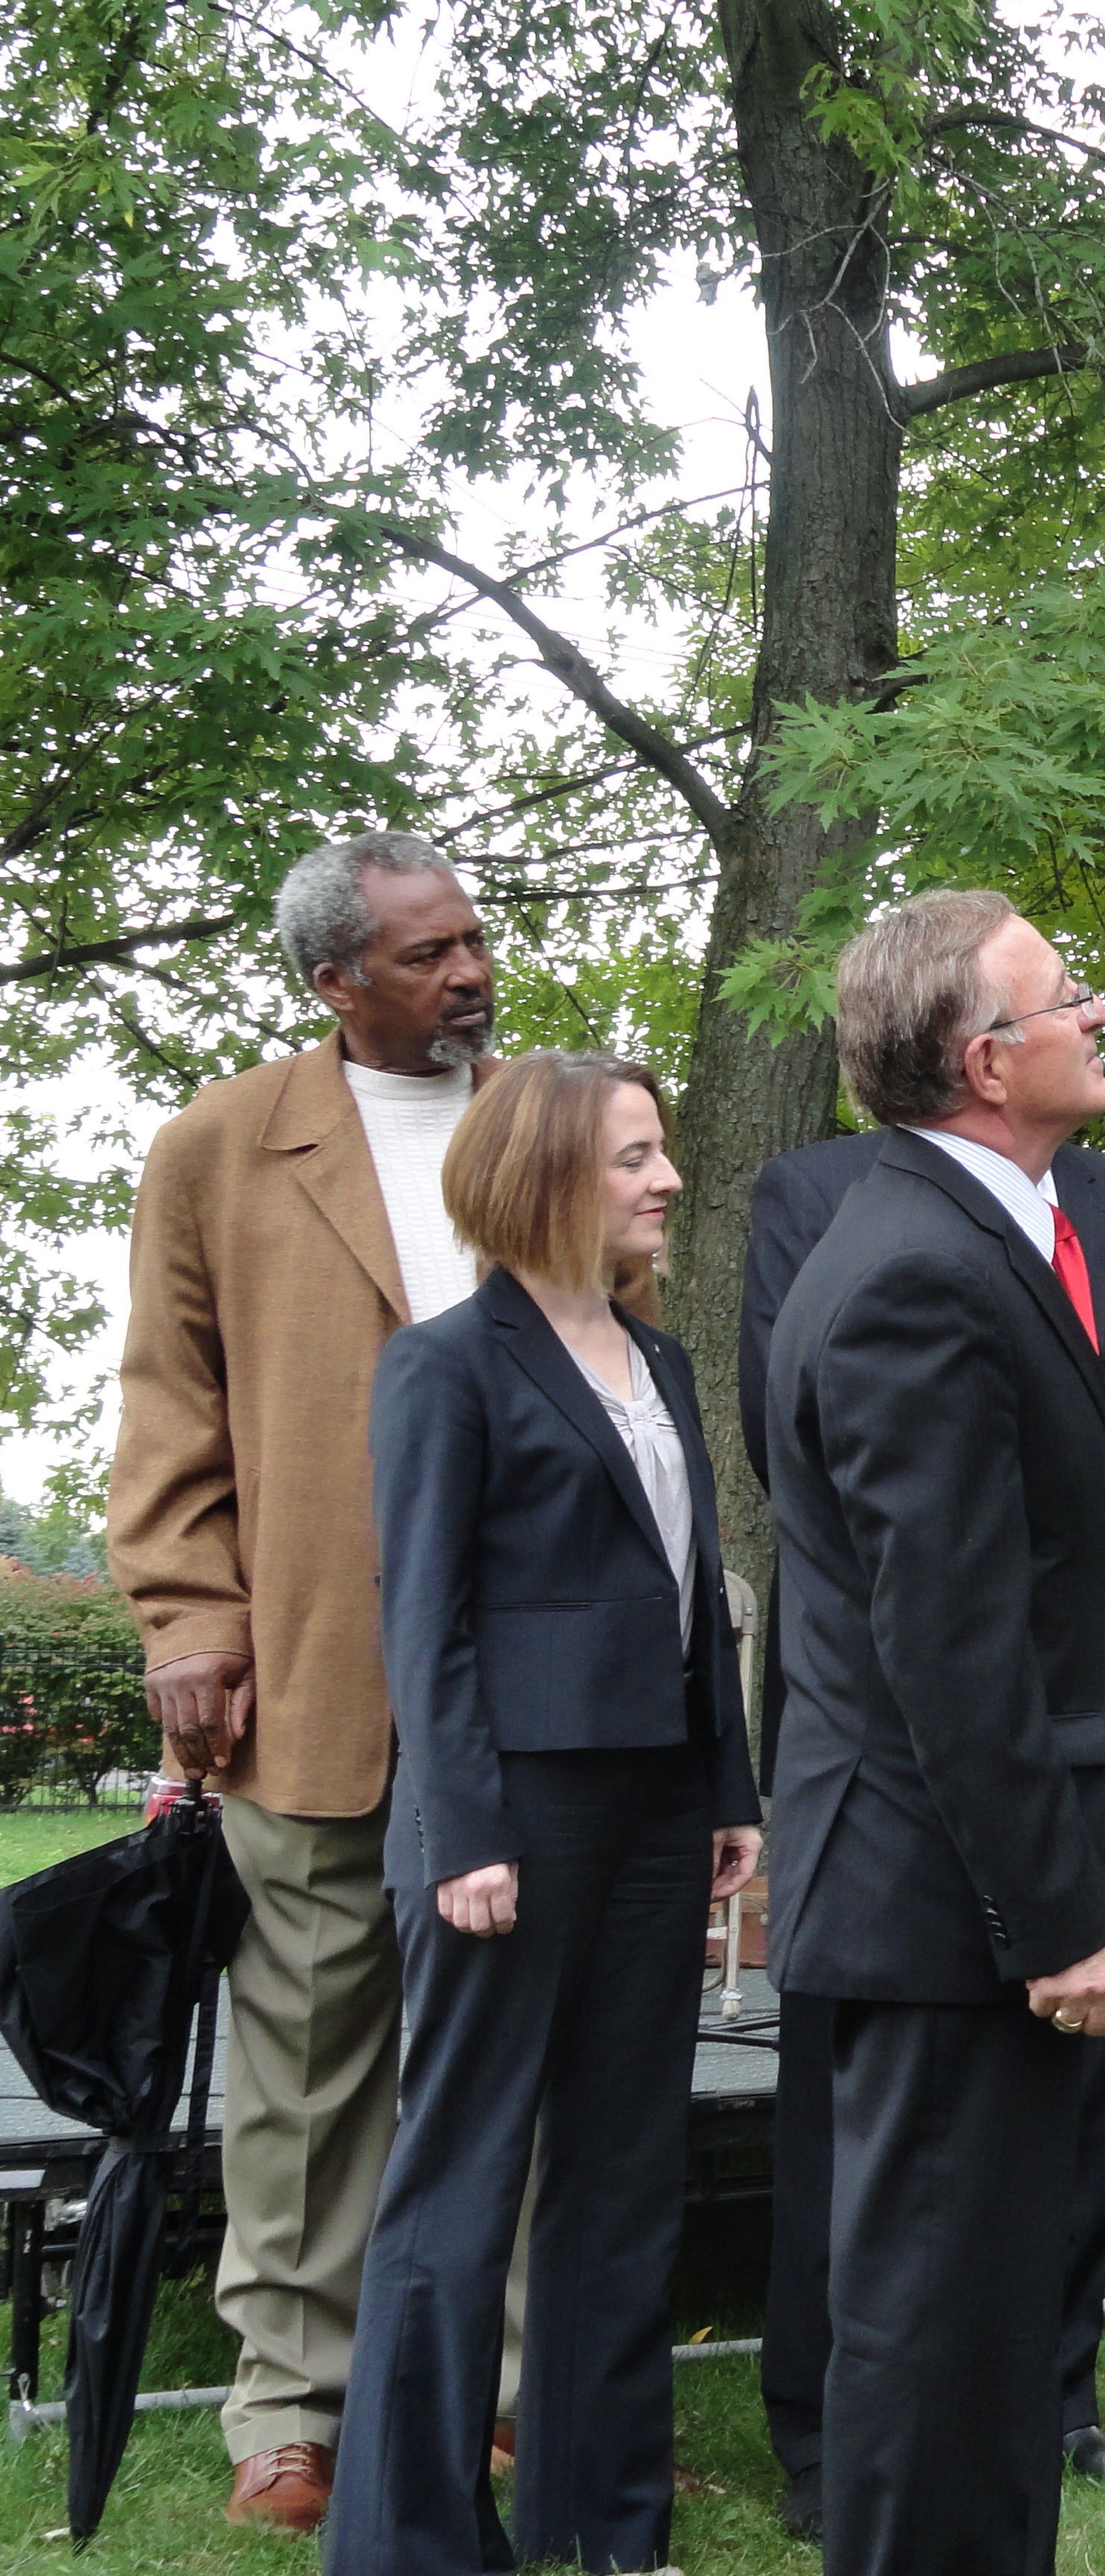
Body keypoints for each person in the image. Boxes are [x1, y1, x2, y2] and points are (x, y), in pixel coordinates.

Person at [106, 827, 528, 2531]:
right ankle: (289, 2407)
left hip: (529, 1671)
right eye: (428, 952)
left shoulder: (545, 1127)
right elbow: (167, 1404)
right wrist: (189, 1620)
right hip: (316, 1672)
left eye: (475, 938)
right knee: (304, 2059)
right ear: (333, 978)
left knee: (507, 2055)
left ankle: (489, 2391)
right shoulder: (222, 1143)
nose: (470, 971)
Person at [739, 1111, 1105, 2539]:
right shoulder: (910, 1265)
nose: (1094, 1006)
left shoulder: (972, 1229)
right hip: (937, 1875)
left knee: (974, 2324)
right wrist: (1056, 1915)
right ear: (984, 1054)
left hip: (988, 1838)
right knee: (926, 2327)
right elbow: (941, 1626)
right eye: (1059, 991)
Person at [330, 1052, 764, 2575]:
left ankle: (609, 2520)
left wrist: (729, 1791)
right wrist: (465, 1839)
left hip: (656, 1818)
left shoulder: (663, 1363)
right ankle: (413, 2543)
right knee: (458, 2183)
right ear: (550, 1177)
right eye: (636, 1157)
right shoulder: (443, 1367)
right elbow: (426, 1623)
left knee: (626, 2172)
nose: (665, 1179)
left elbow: (692, 1600)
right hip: (506, 1827)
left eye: (660, 1153)